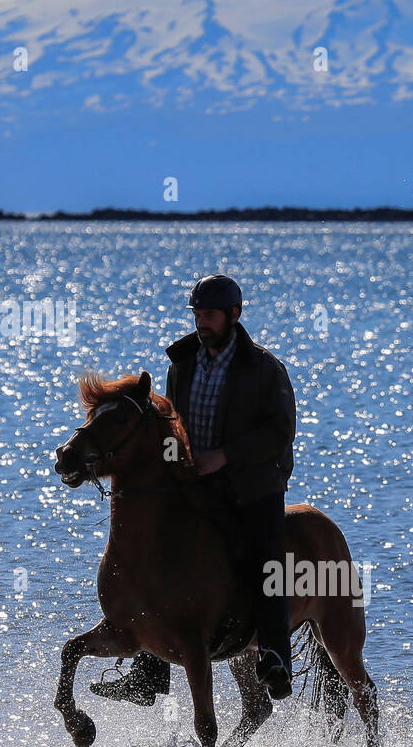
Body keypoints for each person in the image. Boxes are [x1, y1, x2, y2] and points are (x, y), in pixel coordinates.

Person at [90, 273, 296, 705]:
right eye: (198, 315)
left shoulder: (263, 367)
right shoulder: (181, 362)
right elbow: (172, 425)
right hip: (194, 480)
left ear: (234, 316)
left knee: (267, 558)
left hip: (252, 484)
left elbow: (279, 432)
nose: (202, 323)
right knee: (154, 553)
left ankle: (276, 654)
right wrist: (167, 462)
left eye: (211, 315)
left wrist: (224, 456)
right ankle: (147, 675)